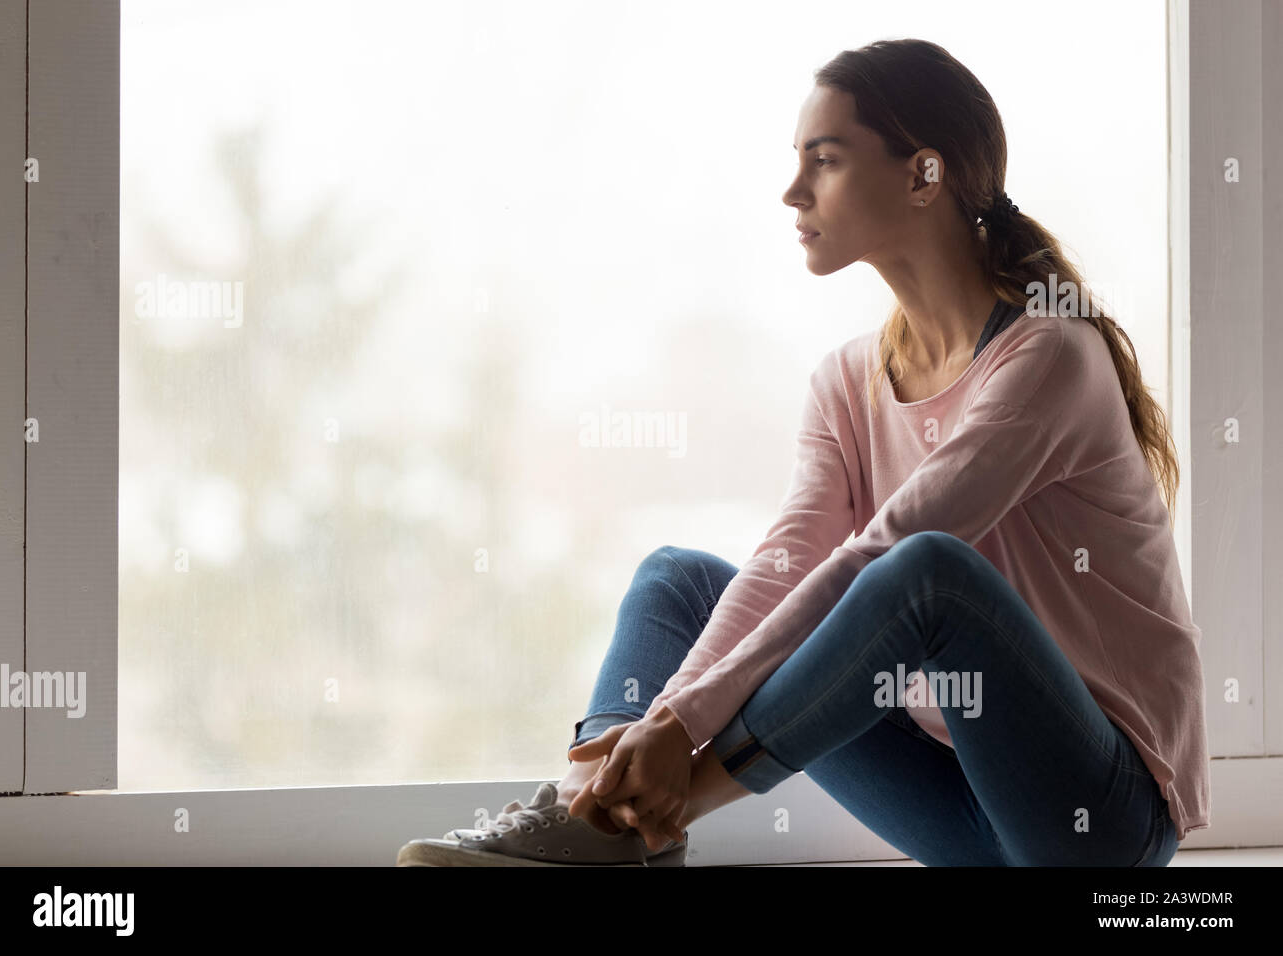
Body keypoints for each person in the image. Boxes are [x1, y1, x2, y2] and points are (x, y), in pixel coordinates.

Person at [397, 37, 1209, 868]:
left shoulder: (1048, 357)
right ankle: (594, 821)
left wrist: (686, 734)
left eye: (824, 160)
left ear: (925, 175)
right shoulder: (846, 380)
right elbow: (789, 559)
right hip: (955, 808)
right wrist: (669, 718)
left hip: (1094, 820)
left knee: (926, 574)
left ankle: (649, 815)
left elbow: (884, 558)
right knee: (677, 580)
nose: (792, 191)